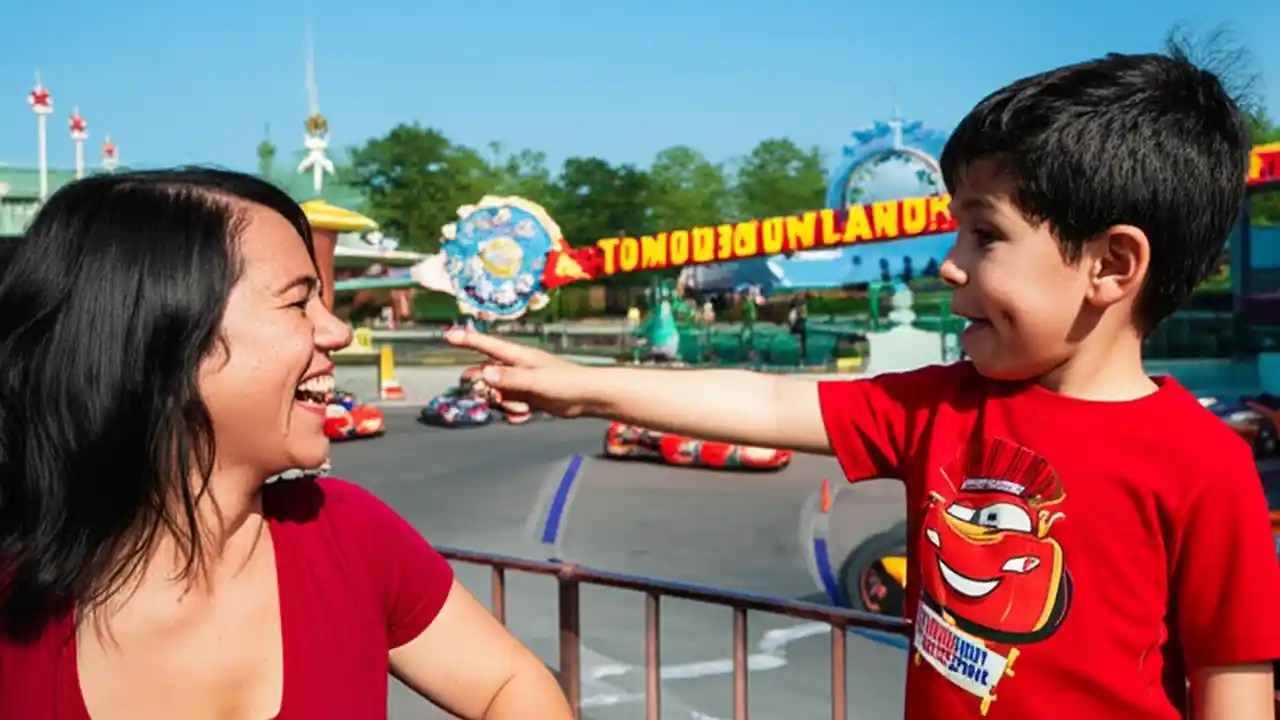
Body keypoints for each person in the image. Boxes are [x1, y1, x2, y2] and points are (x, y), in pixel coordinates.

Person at [446, 52, 1280, 719]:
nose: (948, 263)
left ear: (1112, 264)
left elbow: (1231, 685)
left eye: (985, 233)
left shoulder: (1203, 465)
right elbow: (770, 403)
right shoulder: (944, 405)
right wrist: (583, 386)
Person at [0, 169, 572, 719]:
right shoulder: (16, 602)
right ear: (160, 344)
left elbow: (510, 684)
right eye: (299, 302)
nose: (339, 332)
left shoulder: (348, 537)